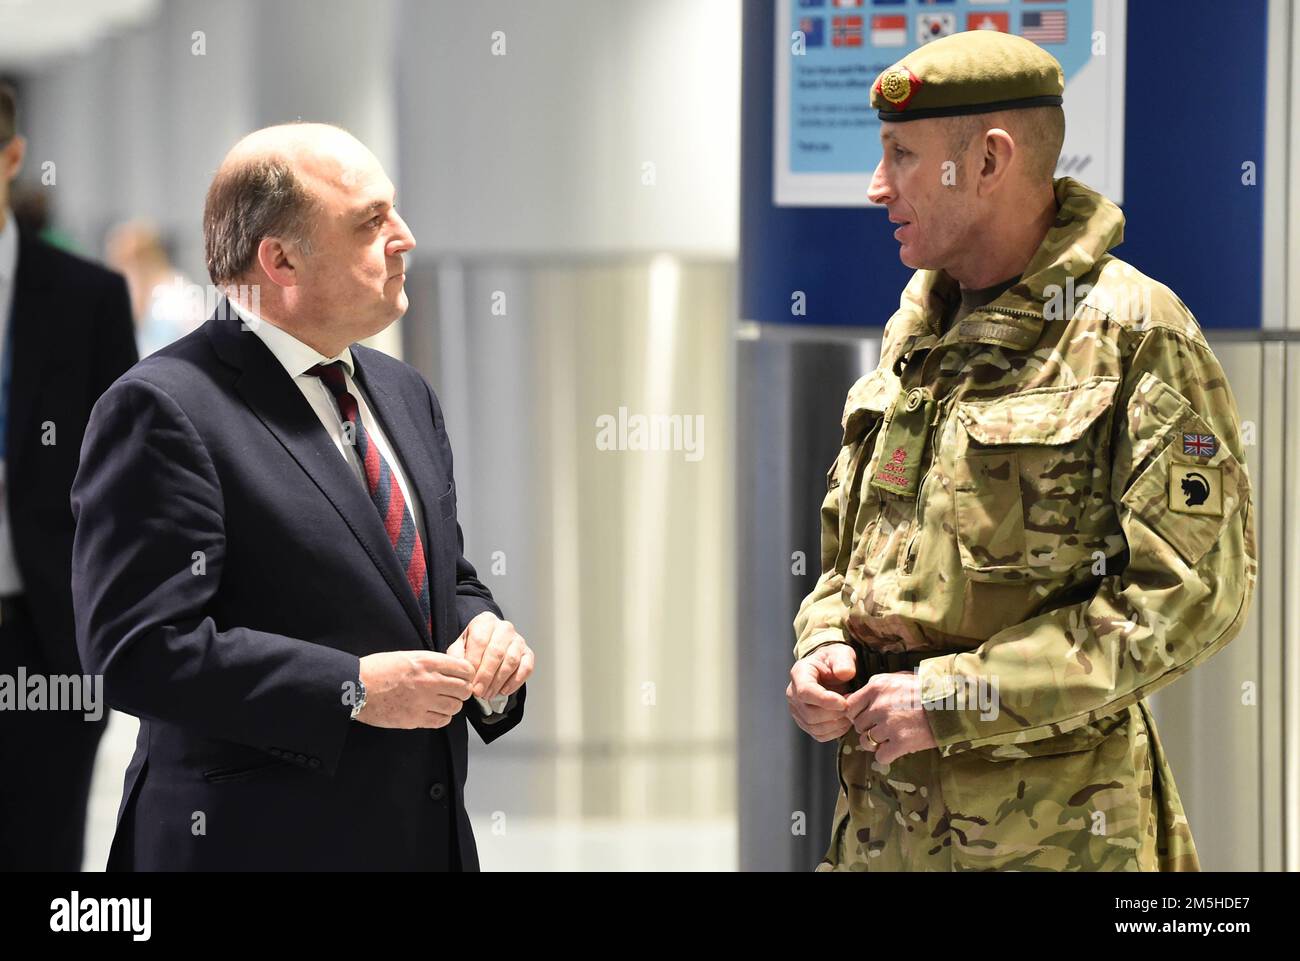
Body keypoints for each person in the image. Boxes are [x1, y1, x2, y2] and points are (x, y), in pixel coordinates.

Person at [787, 31, 1256, 871]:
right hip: (881, 832)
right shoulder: (919, 331)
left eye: (901, 154)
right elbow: (851, 557)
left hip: (1054, 841)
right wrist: (824, 640)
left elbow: (1192, 596)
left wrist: (955, 696)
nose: (875, 185)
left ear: (990, 160)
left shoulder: (1129, 332)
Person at [71, 122, 533, 870]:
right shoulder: (163, 407)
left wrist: (486, 638)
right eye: (370, 222)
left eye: (395, 210)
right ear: (280, 260)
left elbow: (440, 579)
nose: (405, 237)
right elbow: (139, 650)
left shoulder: (401, 393)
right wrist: (349, 688)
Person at [0, 83, 137, 870]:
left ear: (12, 159)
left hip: (47, 638)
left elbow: (124, 476)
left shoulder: (87, 300)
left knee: (46, 856)